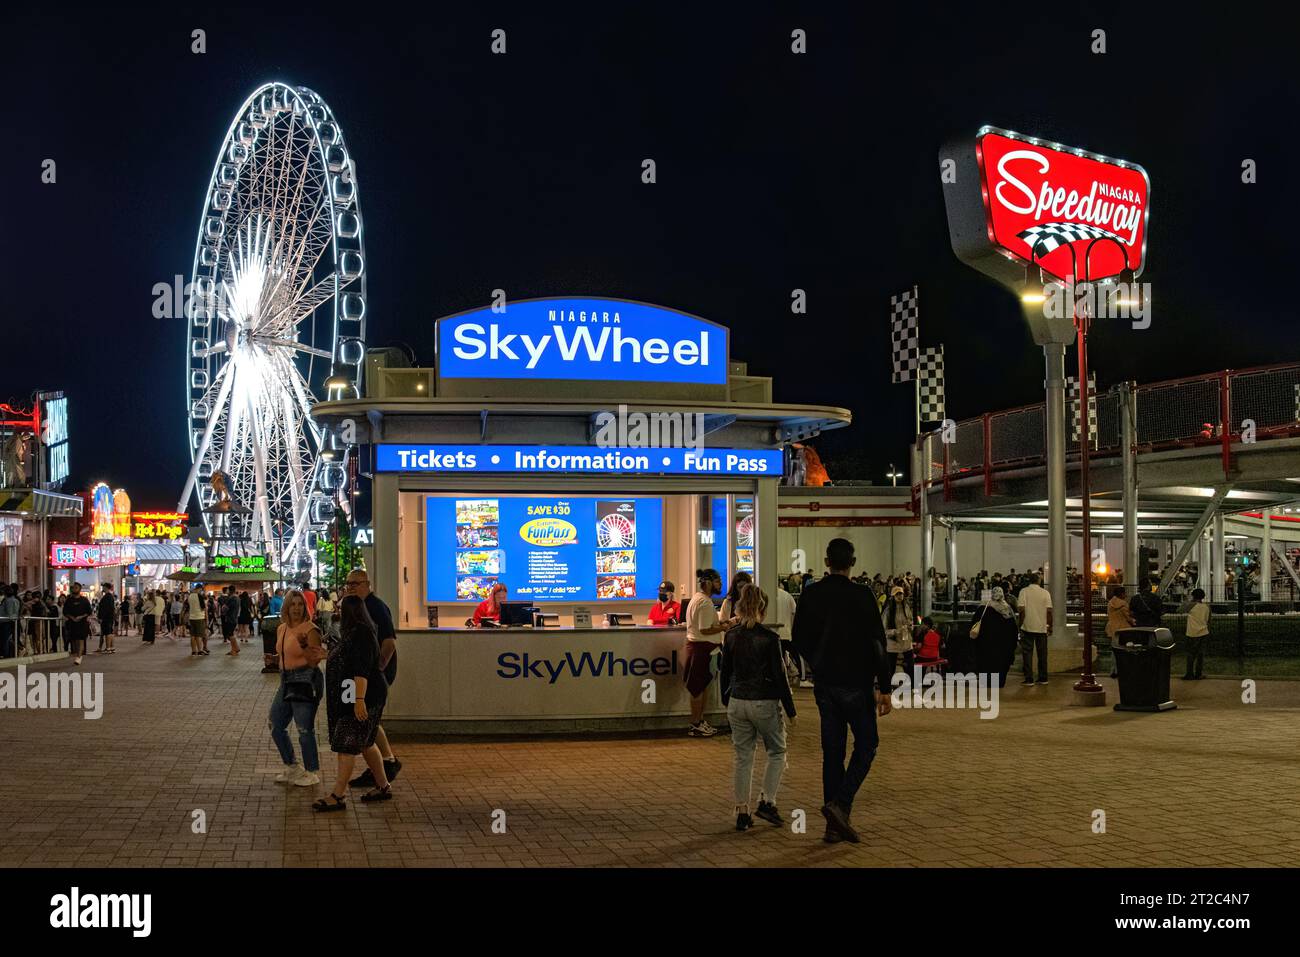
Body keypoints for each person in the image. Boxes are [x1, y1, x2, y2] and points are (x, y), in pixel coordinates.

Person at [791, 539, 892, 844]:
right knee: (867, 744)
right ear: (853, 562)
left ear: (826, 561)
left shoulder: (811, 594)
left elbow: (798, 639)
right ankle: (841, 805)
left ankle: (833, 826)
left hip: (826, 685)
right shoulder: (863, 595)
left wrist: (819, 663)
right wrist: (884, 686)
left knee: (832, 753)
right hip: (857, 684)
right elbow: (878, 642)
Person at [720, 583, 796, 831]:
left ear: (739, 608)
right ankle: (767, 800)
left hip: (737, 702)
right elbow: (780, 676)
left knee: (743, 757)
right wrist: (791, 709)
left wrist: (725, 698)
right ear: (762, 608)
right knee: (777, 751)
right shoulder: (770, 639)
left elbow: (725, 672)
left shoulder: (730, 636)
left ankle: (742, 811)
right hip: (764, 701)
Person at [314, 595, 392, 811]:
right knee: (366, 742)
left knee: (346, 743)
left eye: (341, 609)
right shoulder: (357, 632)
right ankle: (383, 786)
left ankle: (338, 796)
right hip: (357, 695)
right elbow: (349, 660)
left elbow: (361, 668)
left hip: (361, 697)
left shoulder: (361, 633)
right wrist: (328, 654)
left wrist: (359, 701)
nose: (337, 612)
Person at [343, 568, 403, 788]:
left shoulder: (375, 607)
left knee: (367, 718)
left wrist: (378, 669)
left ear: (367, 584)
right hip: (367, 673)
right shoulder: (357, 607)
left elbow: (389, 642)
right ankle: (386, 762)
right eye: (348, 584)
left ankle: (385, 765)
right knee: (370, 720)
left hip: (374, 674)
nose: (350, 588)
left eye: (355, 584)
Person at [269, 589, 326, 787]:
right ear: (286, 606)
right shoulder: (282, 628)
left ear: (305, 607)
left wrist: (303, 646)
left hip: (305, 678)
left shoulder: (310, 630)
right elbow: (285, 652)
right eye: (292, 604)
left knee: (304, 728)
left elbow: (313, 661)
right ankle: (292, 766)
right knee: (275, 724)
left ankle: (312, 771)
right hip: (285, 680)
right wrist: (275, 659)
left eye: (300, 604)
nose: (296, 608)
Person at [684, 568, 737, 738]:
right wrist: (725, 626)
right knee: (698, 688)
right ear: (707, 583)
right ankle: (696, 723)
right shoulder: (705, 602)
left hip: (700, 649)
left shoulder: (697, 599)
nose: (720, 584)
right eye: (717, 581)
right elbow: (705, 629)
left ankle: (699, 721)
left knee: (700, 686)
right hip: (702, 650)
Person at [970, 586, 1017, 688]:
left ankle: (985, 682)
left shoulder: (983, 608)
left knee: (985, 663)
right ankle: (998, 682)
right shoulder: (1007, 610)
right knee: (999, 664)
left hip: (984, 645)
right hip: (1002, 647)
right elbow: (1013, 629)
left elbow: (974, 624)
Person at [1016, 571, 1052, 685]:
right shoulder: (1045, 593)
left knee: (1027, 653)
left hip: (1027, 626)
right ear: (1039, 581)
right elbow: (1049, 612)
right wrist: (1050, 626)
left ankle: (1029, 678)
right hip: (1041, 627)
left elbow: (1021, 610)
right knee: (1042, 654)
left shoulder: (1024, 592)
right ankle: (1043, 677)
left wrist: (1020, 625)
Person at [881, 584, 915, 677]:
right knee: (891, 667)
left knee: (910, 664)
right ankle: (887, 687)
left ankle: (913, 684)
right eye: (897, 594)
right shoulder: (888, 611)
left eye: (901, 594)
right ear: (893, 596)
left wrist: (910, 626)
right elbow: (884, 630)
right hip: (893, 643)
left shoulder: (906, 608)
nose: (900, 596)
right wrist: (896, 631)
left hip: (906, 641)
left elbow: (910, 620)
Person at [1182, 587, 1210, 680]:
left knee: (1190, 654)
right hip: (1204, 632)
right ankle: (1199, 674)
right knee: (1200, 654)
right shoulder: (1207, 606)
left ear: (1193, 596)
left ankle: (1189, 674)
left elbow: (1179, 609)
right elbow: (1209, 620)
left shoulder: (1191, 605)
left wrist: (1187, 600)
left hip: (1192, 632)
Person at [63, 582, 93, 666]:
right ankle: (77, 654)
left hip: (82, 623)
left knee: (81, 639)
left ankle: (79, 656)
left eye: (76, 588)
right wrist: (72, 617)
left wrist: (81, 616)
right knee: (74, 640)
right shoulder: (69, 600)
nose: (74, 589)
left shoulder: (84, 600)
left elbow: (89, 611)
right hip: (72, 623)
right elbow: (65, 611)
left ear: (80, 589)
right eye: (73, 588)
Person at [96, 583, 117, 655]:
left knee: (107, 632)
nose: (103, 588)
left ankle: (108, 648)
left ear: (106, 587)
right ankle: (111, 647)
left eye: (103, 587)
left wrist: (101, 617)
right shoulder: (110, 596)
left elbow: (104, 608)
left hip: (106, 618)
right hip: (110, 617)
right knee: (110, 632)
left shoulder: (107, 597)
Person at [187, 586, 209, 656]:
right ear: (199, 589)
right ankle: (200, 650)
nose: (201, 591)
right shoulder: (199, 596)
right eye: (201, 590)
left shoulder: (190, 596)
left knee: (193, 635)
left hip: (191, 617)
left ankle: (193, 651)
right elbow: (203, 608)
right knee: (199, 635)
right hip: (199, 617)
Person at [219, 585, 240, 655]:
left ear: (230, 590)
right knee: (231, 634)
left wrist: (223, 608)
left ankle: (234, 649)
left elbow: (225, 608)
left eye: (228, 590)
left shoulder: (232, 598)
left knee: (230, 634)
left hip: (230, 618)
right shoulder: (237, 598)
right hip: (234, 618)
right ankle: (235, 648)